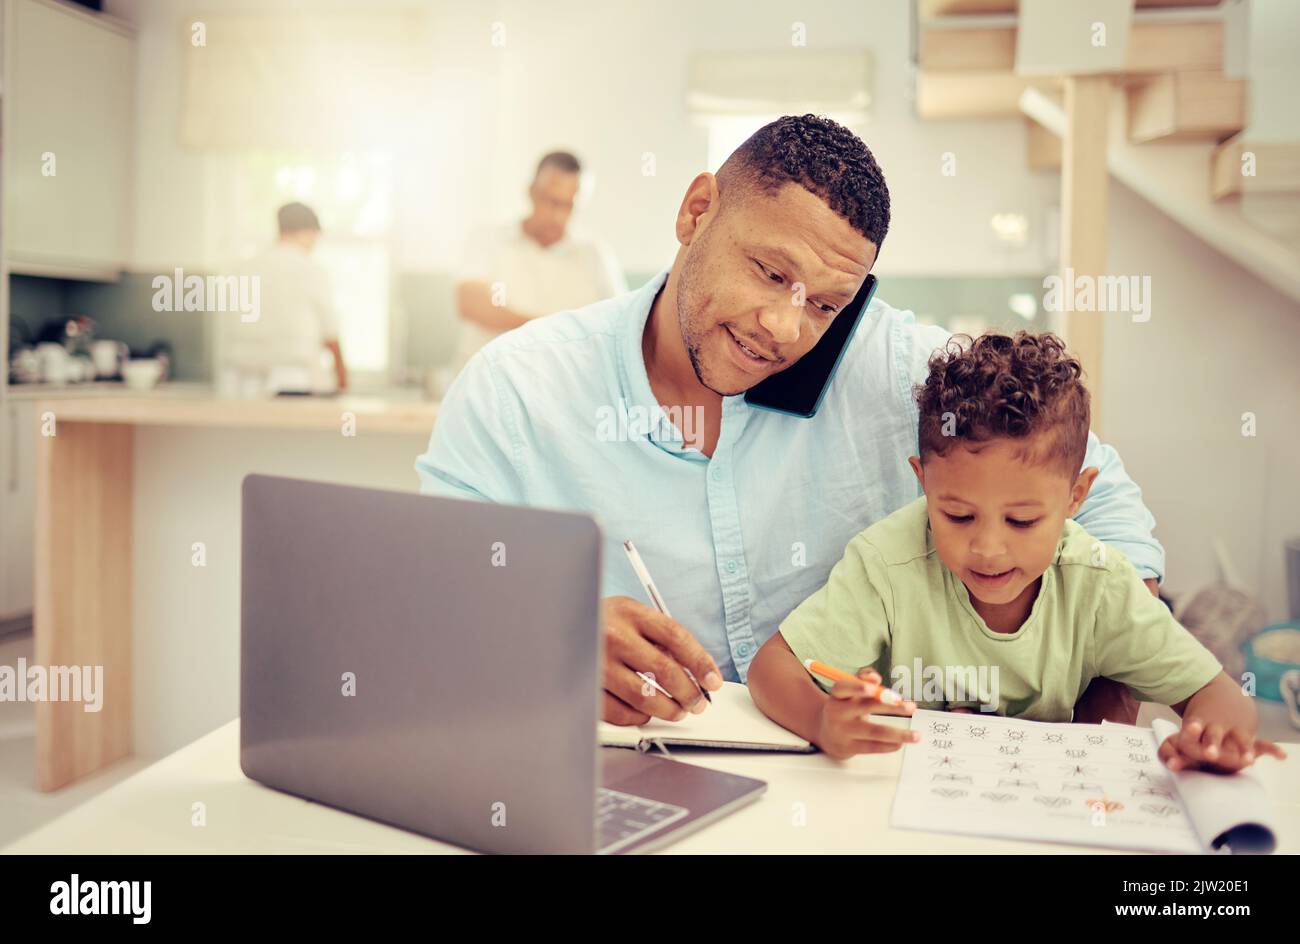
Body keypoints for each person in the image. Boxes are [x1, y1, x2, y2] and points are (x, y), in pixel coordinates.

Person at [417, 115, 1162, 728]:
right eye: (771, 274)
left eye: (824, 303)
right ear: (696, 211)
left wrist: (1099, 714)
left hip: (865, 783)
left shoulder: (899, 368)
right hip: (625, 775)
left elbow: (1110, 508)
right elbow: (433, 597)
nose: (783, 326)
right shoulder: (518, 389)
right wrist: (550, 631)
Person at [748, 331, 1286, 772]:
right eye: (956, 515)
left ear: (1076, 495)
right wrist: (823, 720)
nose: (986, 547)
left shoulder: (1099, 582)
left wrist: (1214, 738)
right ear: (923, 481)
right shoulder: (887, 562)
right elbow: (772, 668)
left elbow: (1218, 695)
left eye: (1023, 520)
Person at [452, 151, 626, 371]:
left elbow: (619, 325)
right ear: (531, 192)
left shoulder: (595, 255)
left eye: (568, 206)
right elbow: (470, 302)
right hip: (486, 383)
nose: (557, 216)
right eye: (551, 202)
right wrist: (553, 333)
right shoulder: (487, 240)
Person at [218, 202, 347, 394]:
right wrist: (342, 374)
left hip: (239, 381)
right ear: (308, 232)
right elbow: (330, 331)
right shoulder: (311, 270)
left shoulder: (240, 269)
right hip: (290, 379)